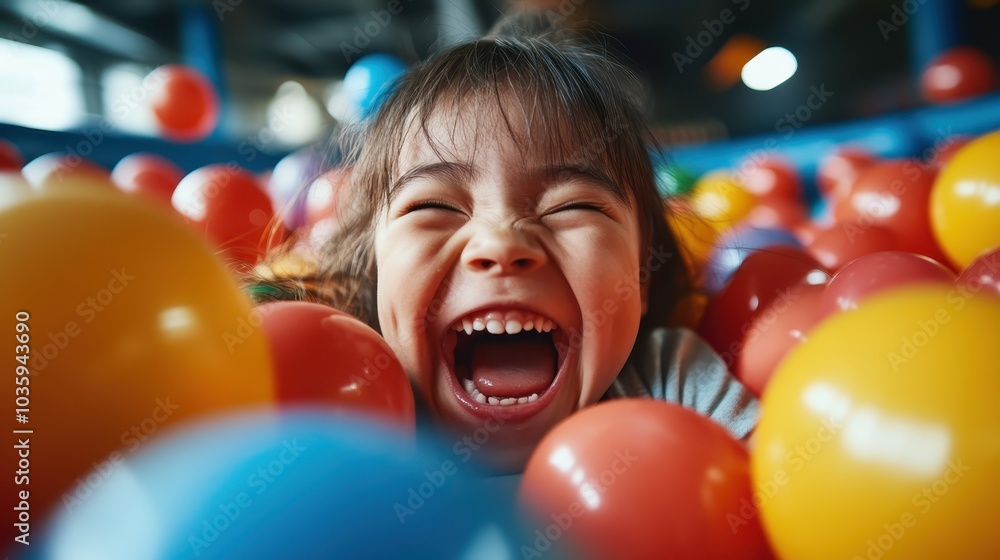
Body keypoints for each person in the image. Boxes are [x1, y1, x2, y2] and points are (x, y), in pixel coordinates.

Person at [248, 20, 757, 473]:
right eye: (434, 207)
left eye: (571, 206)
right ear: (377, 272)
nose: (501, 243)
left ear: (642, 276)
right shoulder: (343, 398)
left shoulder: (666, 378)